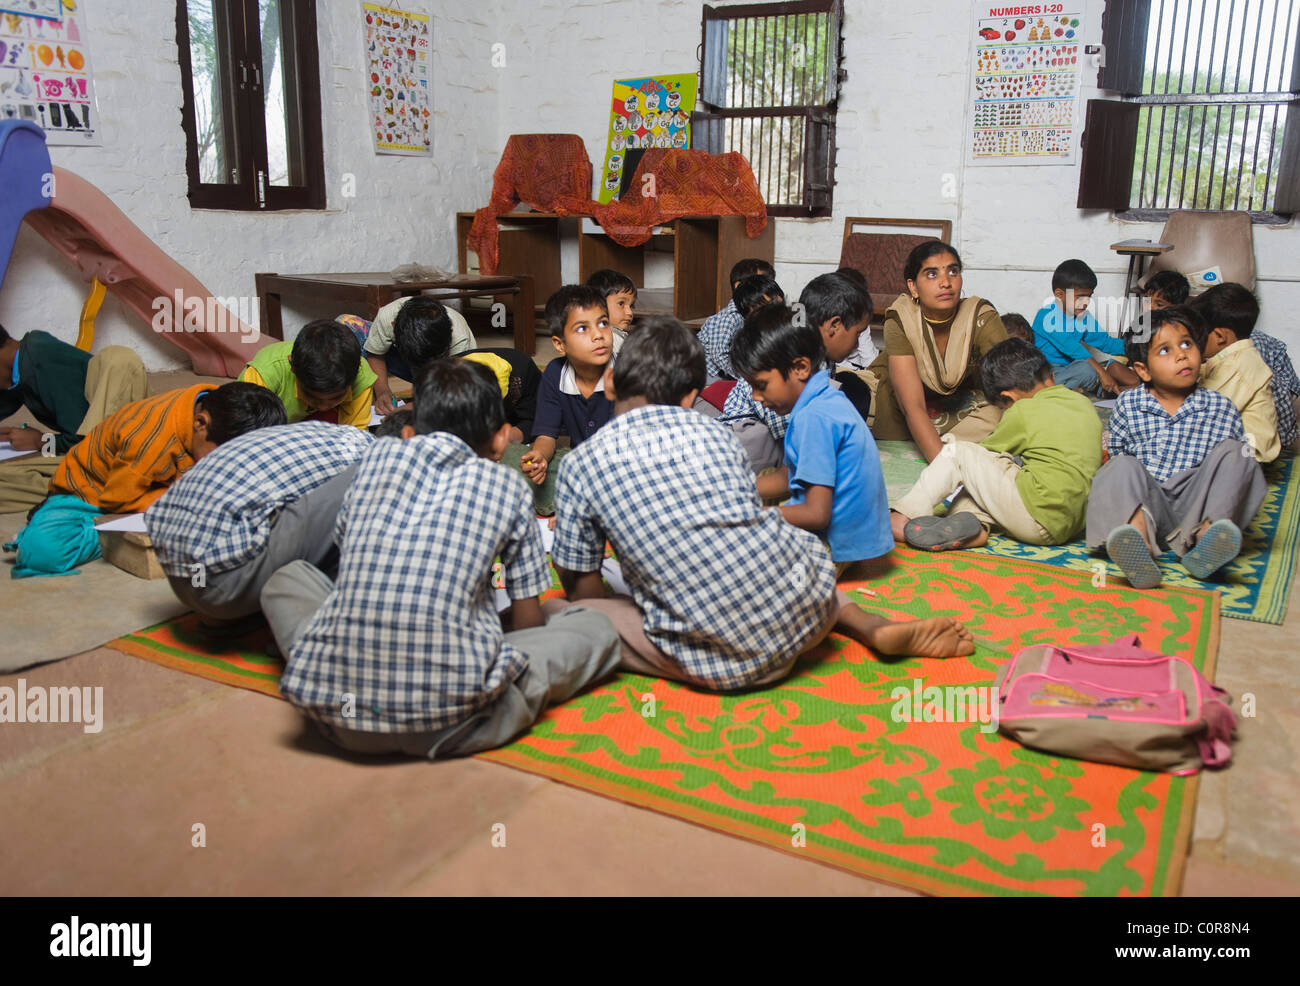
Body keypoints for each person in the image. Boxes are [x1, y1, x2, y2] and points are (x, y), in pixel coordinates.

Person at [550, 317, 974, 692]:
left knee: (573, 607)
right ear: (690, 398)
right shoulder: (718, 437)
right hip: (801, 621)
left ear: (610, 382)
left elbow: (581, 583)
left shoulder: (581, 464)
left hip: (723, 659)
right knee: (784, 563)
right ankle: (873, 626)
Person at [262, 359, 621, 758]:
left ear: (410, 432)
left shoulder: (374, 461)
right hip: (452, 722)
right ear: (502, 440)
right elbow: (527, 622)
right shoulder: (505, 484)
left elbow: (353, 564)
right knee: (594, 626)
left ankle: (350, 657)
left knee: (288, 578)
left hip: (336, 716)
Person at [5, 383, 286, 577]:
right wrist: (176, 505)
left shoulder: (222, 408)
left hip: (158, 485)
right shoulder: (152, 440)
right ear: (200, 424)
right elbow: (116, 499)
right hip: (95, 495)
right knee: (44, 552)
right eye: (221, 458)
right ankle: (51, 524)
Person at [1085, 307, 1265, 589]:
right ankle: (1138, 539)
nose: (1181, 354)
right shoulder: (1129, 404)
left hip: (1198, 504)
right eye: (1165, 350)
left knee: (1238, 452)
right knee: (1119, 465)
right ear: (1142, 370)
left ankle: (1207, 540)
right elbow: (1118, 456)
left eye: (1186, 344)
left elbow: (1230, 477)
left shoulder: (1220, 407)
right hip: (1148, 505)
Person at [145, 421, 372, 626]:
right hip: (217, 588)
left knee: (299, 511)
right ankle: (317, 622)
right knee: (363, 487)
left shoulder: (323, 431)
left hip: (182, 574)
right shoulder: (370, 459)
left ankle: (229, 615)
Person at [889, 338, 1102, 550]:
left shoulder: (1023, 410)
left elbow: (984, 455)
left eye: (1003, 408)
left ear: (1008, 397)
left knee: (959, 453)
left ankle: (903, 515)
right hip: (1072, 525)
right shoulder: (1084, 404)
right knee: (995, 479)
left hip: (1038, 519)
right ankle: (975, 525)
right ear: (1052, 376)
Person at [731, 305, 892, 573]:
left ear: (800, 368)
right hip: (857, 531)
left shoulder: (813, 418)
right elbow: (786, 477)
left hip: (836, 543)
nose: (756, 397)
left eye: (761, 385)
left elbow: (817, 515)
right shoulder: (821, 399)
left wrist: (753, 518)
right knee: (766, 475)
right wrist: (733, 490)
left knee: (739, 566)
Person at [719, 270, 872, 471]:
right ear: (834, 325)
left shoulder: (822, 358)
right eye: (857, 334)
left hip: (777, 426)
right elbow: (786, 423)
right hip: (745, 429)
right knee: (766, 441)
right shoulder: (790, 351)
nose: (856, 344)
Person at [869, 241, 1009, 460]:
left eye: (953, 271)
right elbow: (912, 407)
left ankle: (931, 438)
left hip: (958, 406)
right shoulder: (902, 319)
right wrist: (943, 468)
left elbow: (1011, 384)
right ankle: (937, 440)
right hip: (902, 403)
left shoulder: (980, 317)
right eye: (932, 274)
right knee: (866, 409)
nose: (946, 282)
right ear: (913, 287)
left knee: (999, 414)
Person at [0, 323, 148, 513]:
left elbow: (82, 440)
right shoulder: (24, 362)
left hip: (108, 451)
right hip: (95, 450)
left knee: (17, 478)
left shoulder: (42, 360)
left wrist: (41, 442)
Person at [504, 285, 614, 515]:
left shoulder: (626, 373)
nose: (598, 334)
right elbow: (546, 436)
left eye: (603, 323)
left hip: (622, 465)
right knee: (511, 457)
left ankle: (580, 506)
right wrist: (539, 458)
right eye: (582, 328)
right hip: (579, 463)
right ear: (559, 344)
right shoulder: (555, 374)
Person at [1188, 283, 1280, 463]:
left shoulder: (1237, 365)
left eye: (1197, 335)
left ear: (1220, 337)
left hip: (1247, 455)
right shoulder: (1232, 357)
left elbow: (1207, 411)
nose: (1194, 342)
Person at [337, 294, 476, 412]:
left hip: (445, 372)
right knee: (345, 324)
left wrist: (418, 407)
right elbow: (375, 353)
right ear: (394, 325)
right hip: (405, 361)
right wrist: (382, 391)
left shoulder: (459, 337)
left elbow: (458, 386)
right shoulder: (388, 316)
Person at [1031, 258, 1139, 398]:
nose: (1086, 302)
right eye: (1080, 297)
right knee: (1088, 369)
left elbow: (1105, 342)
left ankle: (1106, 391)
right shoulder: (1046, 317)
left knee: (1110, 368)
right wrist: (1102, 373)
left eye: (1089, 297)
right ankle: (1046, 392)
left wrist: (1139, 349)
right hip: (1046, 371)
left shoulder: (1083, 317)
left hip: (1070, 369)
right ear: (1059, 295)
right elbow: (1074, 349)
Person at [239, 319, 375, 429]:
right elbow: (244, 433)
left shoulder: (360, 375)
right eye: (312, 397)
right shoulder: (264, 375)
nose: (322, 407)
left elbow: (355, 436)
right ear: (292, 366)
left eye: (336, 398)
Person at [698, 257, 776, 384]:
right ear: (739, 286)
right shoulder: (728, 318)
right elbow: (719, 355)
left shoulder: (753, 316)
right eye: (759, 284)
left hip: (729, 372)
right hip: (708, 375)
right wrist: (743, 376)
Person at [586, 268, 637, 354]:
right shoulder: (609, 339)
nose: (630, 312)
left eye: (631, 306)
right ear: (598, 304)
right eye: (621, 303)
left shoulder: (619, 335)